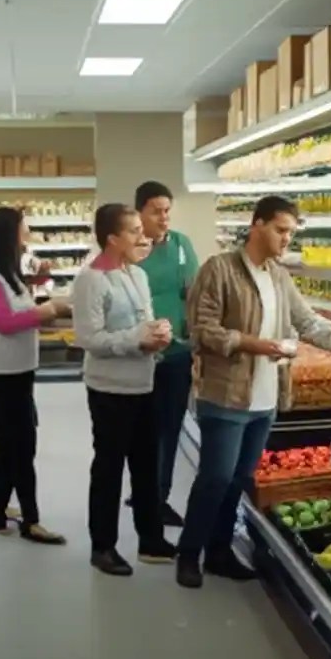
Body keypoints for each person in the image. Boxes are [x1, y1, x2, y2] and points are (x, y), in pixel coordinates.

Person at [178, 196, 331, 589]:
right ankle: (188, 553)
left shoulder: (278, 275)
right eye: (281, 230)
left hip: (266, 398)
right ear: (257, 224)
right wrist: (254, 344)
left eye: (291, 233)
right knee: (215, 477)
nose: (286, 240)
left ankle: (219, 551)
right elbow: (201, 329)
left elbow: (308, 322)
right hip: (227, 395)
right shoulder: (220, 270)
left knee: (239, 478)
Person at [72, 203, 177, 576]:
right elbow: (90, 338)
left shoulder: (136, 274)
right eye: (133, 230)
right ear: (112, 238)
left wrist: (158, 333)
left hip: (143, 382)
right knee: (110, 468)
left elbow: (141, 320)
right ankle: (103, 546)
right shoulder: (91, 279)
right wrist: (136, 339)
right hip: (110, 389)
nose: (142, 236)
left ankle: (151, 540)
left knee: (147, 466)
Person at [0, 207, 68, 545]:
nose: (27, 232)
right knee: (23, 445)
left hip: (19, 367)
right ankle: (31, 519)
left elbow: (15, 310)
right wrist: (46, 311)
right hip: (3, 370)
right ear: (8, 233)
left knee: (8, 443)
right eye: (23, 227)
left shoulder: (7, 272)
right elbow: (5, 322)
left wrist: (38, 295)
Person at [132, 181, 197, 527]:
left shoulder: (182, 246)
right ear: (140, 212)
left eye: (167, 211)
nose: (164, 217)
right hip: (140, 354)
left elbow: (196, 291)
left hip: (177, 354)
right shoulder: (133, 250)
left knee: (169, 429)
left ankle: (159, 497)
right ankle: (144, 492)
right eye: (157, 211)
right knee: (143, 430)